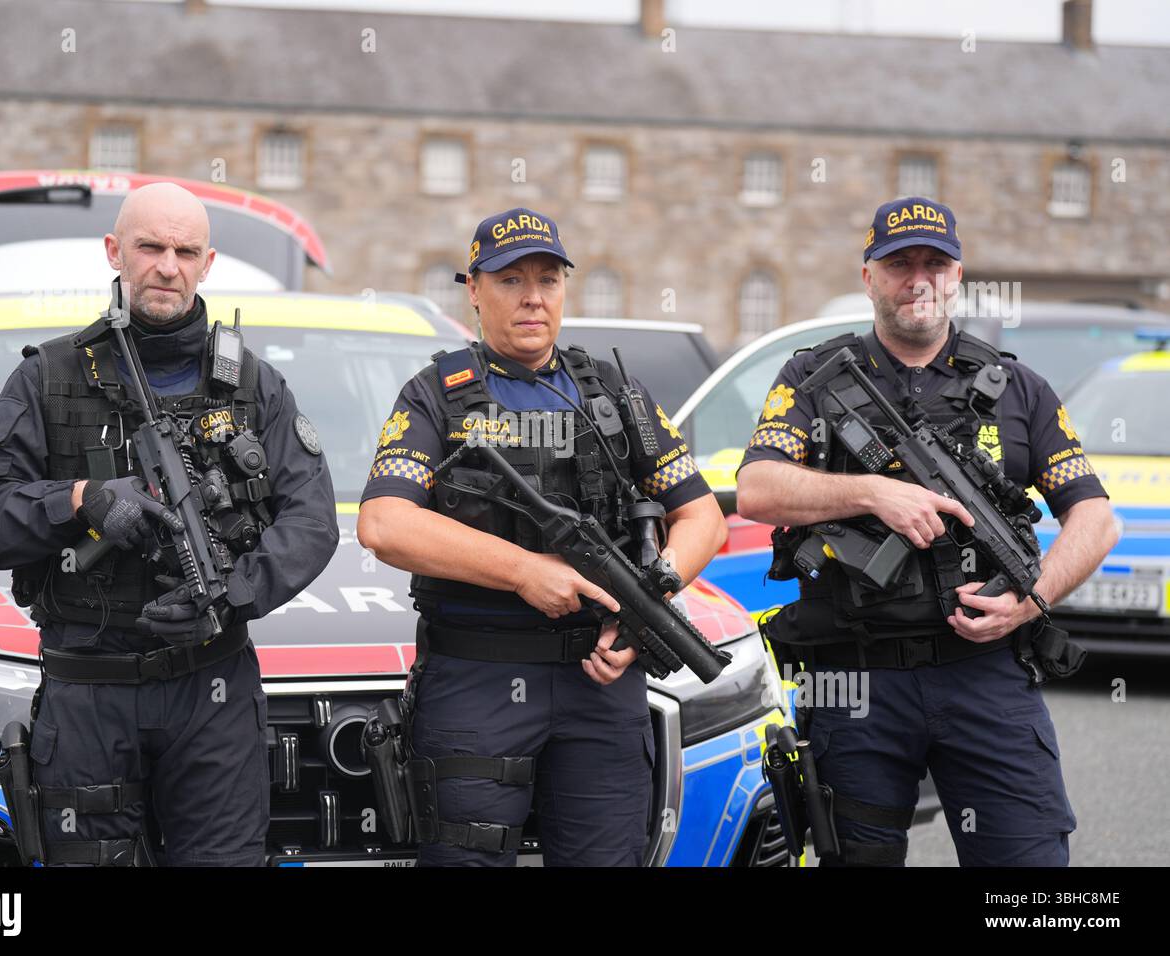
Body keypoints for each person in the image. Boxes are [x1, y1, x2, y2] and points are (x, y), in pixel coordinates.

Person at [0, 182, 339, 866]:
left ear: (207, 262)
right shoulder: (48, 377)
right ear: (115, 252)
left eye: (185, 250)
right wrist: (79, 500)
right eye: (150, 247)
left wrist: (228, 596)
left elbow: (311, 523)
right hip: (89, 691)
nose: (168, 266)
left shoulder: (253, 386)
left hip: (211, 688)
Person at [738, 197, 1119, 867]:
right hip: (854, 680)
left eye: (934, 263)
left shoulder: (1017, 389)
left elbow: (1095, 516)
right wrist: (871, 492)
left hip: (985, 671)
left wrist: (1033, 598)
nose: (918, 279)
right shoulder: (810, 377)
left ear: (958, 274)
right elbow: (757, 489)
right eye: (899, 263)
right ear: (868, 277)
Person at [357, 208, 727, 866]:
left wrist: (651, 602)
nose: (533, 296)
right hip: (477, 676)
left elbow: (701, 515)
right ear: (473, 289)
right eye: (510, 280)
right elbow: (385, 523)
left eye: (549, 279)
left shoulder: (616, 394)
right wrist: (526, 571)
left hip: (600, 677)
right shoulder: (437, 396)